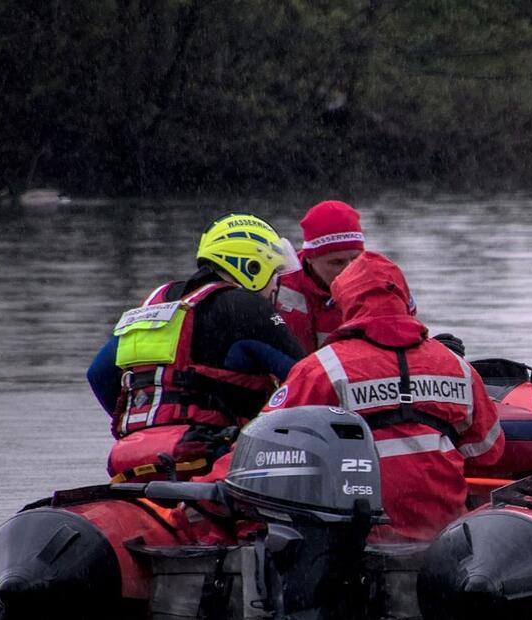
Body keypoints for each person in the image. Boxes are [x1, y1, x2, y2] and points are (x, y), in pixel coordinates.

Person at [263, 251, 505, 542]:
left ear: (345, 304)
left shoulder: (322, 369)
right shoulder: (456, 366)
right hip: (442, 536)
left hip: (359, 537)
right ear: (405, 301)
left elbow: (268, 445)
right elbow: (487, 451)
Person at [86, 213, 307, 484]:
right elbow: (308, 376)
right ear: (253, 266)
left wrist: (150, 428)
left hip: (132, 456)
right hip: (210, 459)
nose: (276, 285)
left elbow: (99, 373)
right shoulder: (246, 307)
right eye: (274, 274)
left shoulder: (156, 303)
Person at [275, 200, 365, 354]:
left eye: (356, 259)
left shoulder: (381, 285)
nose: (349, 270)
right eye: (337, 262)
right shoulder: (276, 288)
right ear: (310, 258)